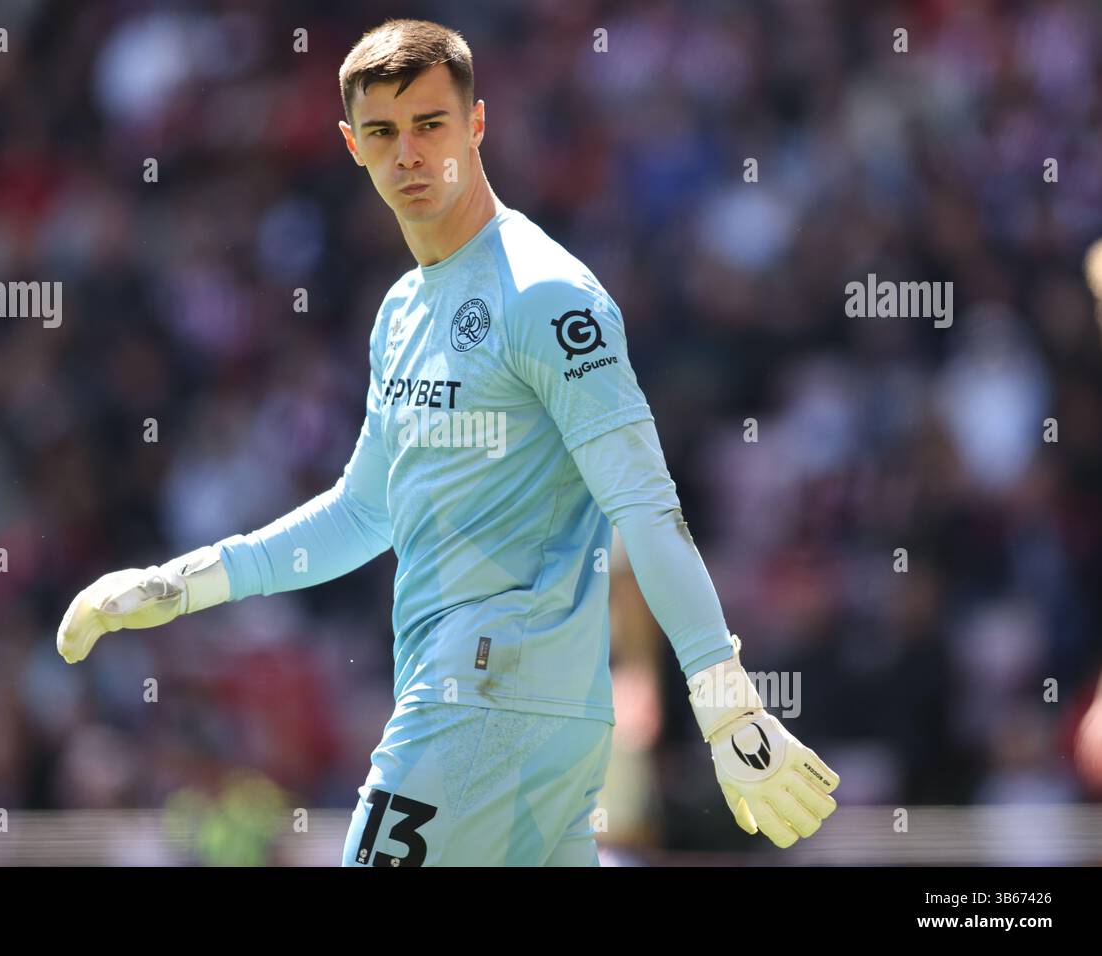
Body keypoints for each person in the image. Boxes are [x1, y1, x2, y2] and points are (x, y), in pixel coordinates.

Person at [56, 17, 839, 866]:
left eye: (432, 125)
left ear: (475, 125)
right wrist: (182, 584)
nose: (410, 155)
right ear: (353, 146)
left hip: (482, 700)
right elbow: (363, 512)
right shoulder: (402, 312)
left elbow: (648, 506)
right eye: (385, 133)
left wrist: (727, 704)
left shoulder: (546, 295)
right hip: (527, 717)